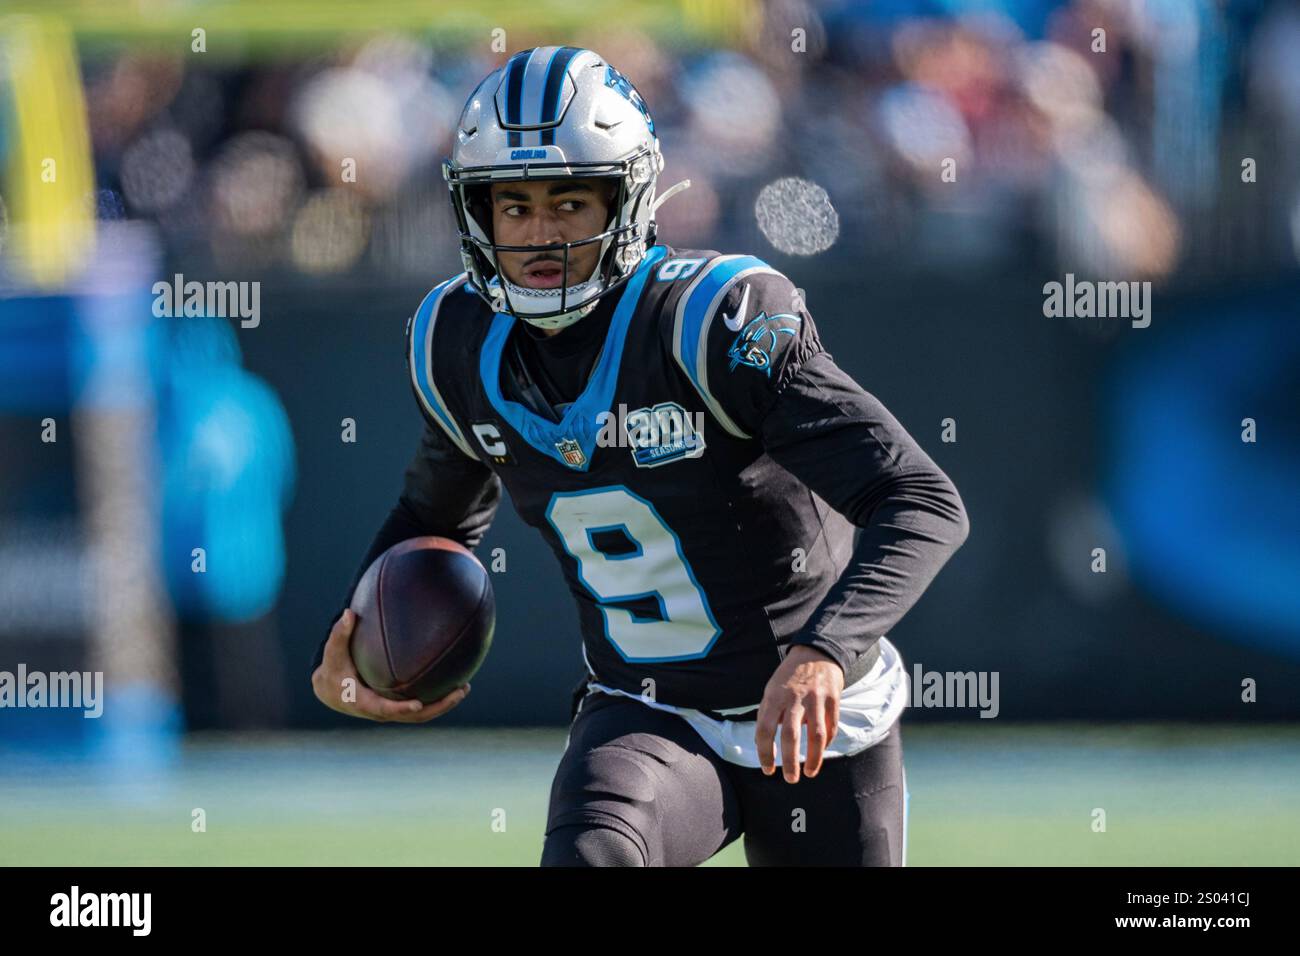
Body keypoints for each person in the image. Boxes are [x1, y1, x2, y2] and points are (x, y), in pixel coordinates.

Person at [311, 46, 969, 866]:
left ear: (628, 198)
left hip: (813, 715)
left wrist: (822, 653)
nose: (540, 233)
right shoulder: (456, 344)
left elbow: (919, 498)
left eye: (570, 202)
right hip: (649, 711)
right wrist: (354, 643)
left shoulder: (710, 325)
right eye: (512, 206)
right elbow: (429, 520)